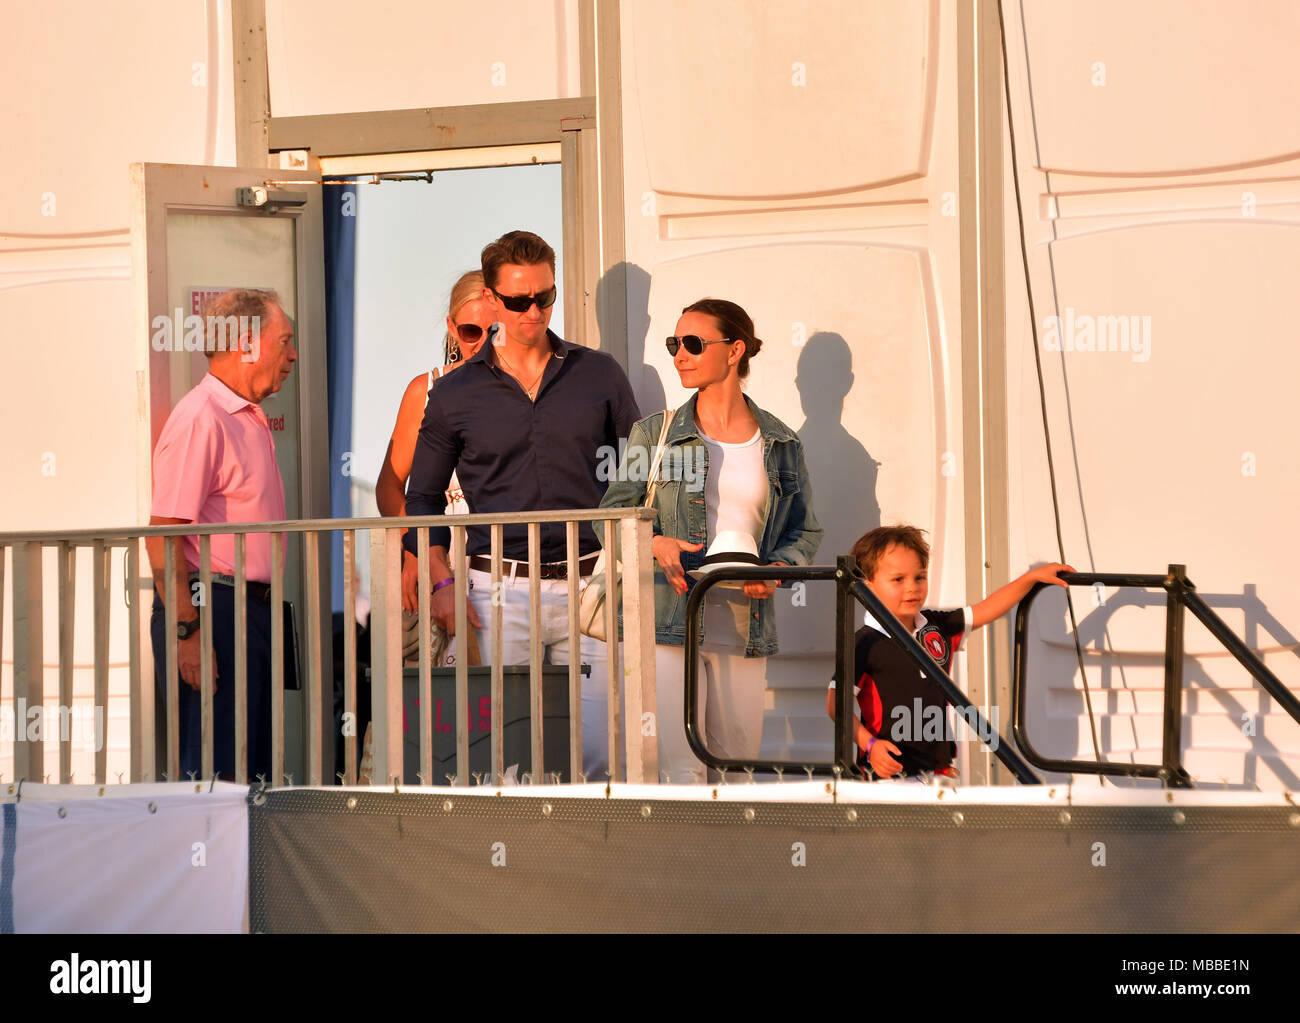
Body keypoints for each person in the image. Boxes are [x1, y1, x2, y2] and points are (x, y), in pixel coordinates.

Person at [403, 230, 641, 779]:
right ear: (492, 300)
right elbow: (422, 496)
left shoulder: (599, 373)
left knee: (604, 757)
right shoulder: (454, 393)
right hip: (497, 594)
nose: (534, 311)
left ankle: (595, 863)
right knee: (496, 763)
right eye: (518, 301)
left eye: (545, 297)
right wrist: (439, 579)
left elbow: (640, 471)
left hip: (594, 590)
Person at [599, 298, 823, 783]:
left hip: (744, 620)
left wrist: (779, 572)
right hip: (667, 614)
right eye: (674, 344)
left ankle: (733, 861)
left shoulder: (781, 443)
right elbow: (611, 515)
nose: (680, 354)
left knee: (737, 768)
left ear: (735, 350)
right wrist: (654, 544)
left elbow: (804, 529)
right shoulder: (655, 434)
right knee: (679, 770)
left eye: (694, 344)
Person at [147, 288, 298, 781]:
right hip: (213, 610)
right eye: (285, 341)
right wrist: (188, 631)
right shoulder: (202, 418)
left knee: (247, 777)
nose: (292, 355)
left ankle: (237, 860)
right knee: (216, 778)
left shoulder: (243, 417)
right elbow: (163, 535)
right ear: (248, 344)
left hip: (244, 611)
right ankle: (207, 859)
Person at [827, 524, 1073, 779]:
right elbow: (835, 705)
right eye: (898, 579)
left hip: (939, 773)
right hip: (888, 776)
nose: (912, 587)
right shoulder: (865, 642)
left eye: (919, 577)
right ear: (867, 586)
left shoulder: (937, 626)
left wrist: (1030, 578)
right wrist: (869, 745)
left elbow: (986, 609)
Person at [376, 269, 495, 644]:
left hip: (504, 565)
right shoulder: (425, 389)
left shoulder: (529, 393)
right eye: (470, 331)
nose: (481, 343)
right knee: (444, 692)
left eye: (493, 331)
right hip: (438, 559)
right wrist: (417, 550)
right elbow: (389, 485)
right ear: (452, 328)